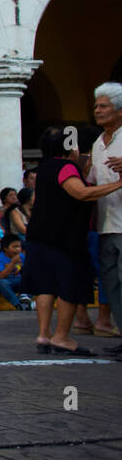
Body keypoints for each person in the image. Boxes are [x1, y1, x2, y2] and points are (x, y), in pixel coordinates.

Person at [21, 126, 122, 356]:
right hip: (64, 238)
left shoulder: (44, 169)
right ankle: (62, 337)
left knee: (44, 286)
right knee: (68, 285)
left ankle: (44, 334)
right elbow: (80, 193)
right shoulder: (65, 167)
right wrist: (117, 184)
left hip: (39, 236)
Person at [90, 82, 122, 347]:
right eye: (96, 106)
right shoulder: (98, 143)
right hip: (106, 224)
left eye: (104, 106)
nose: (97, 110)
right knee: (111, 283)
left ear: (120, 110)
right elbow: (91, 180)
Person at [0, 235, 31, 310]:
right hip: (7, 281)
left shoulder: (22, 256)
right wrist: (12, 263)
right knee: (1, 283)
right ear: (6, 248)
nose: (18, 249)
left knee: (32, 279)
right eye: (14, 247)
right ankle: (18, 304)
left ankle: (25, 298)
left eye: (19, 247)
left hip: (19, 280)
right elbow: (1, 276)